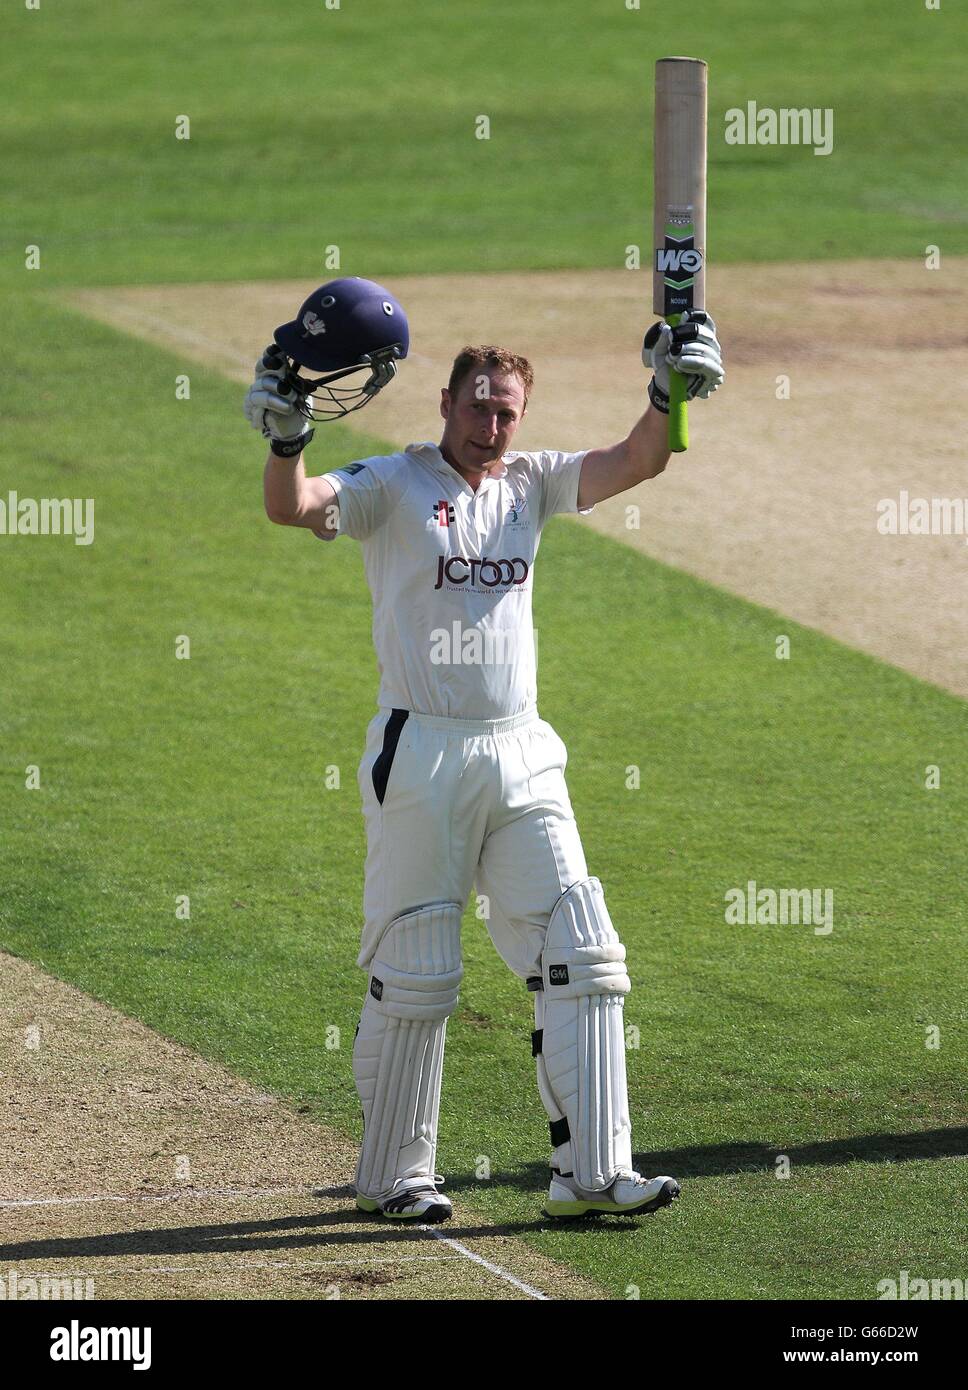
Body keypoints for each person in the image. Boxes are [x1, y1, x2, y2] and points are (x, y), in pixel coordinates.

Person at [245, 278, 724, 1222]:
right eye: (478, 407)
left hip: (522, 752)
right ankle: (395, 1177)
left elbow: (641, 459)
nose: (492, 426)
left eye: (506, 412)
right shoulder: (392, 483)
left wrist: (670, 393)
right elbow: (293, 507)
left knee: (581, 951)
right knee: (420, 964)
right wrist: (287, 438)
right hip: (421, 752)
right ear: (445, 404)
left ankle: (592, 1176)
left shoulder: (532, 485)